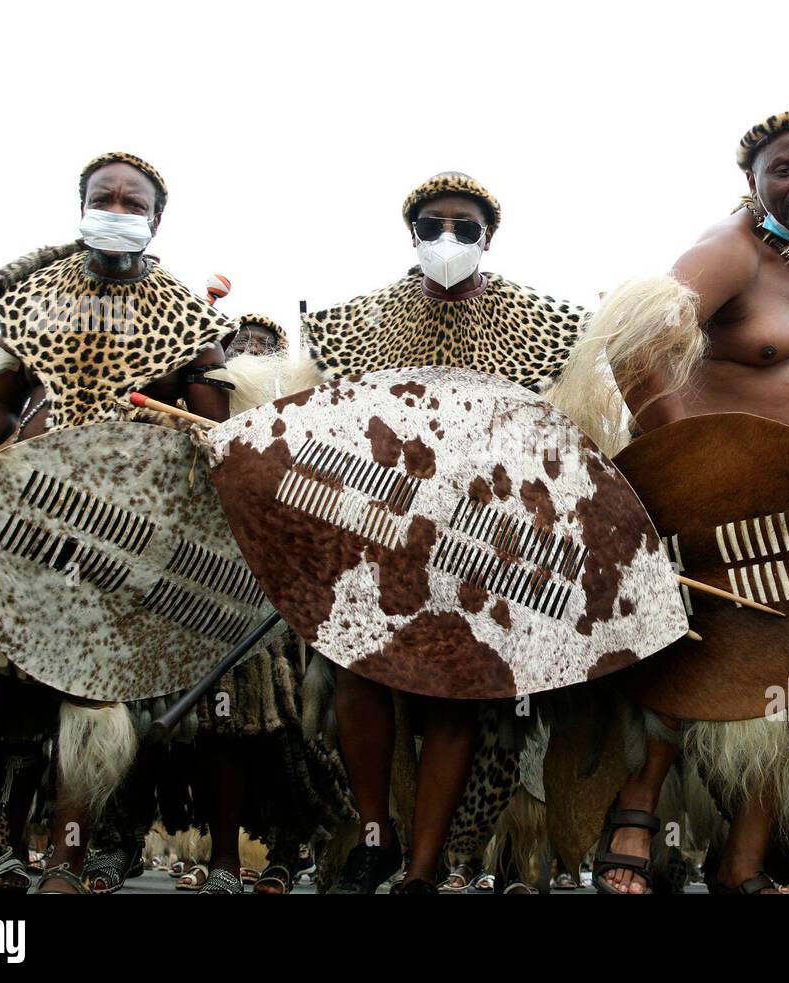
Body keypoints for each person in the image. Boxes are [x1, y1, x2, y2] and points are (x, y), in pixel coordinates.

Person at [549, 109, 789, 894]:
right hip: (720, 498)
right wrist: (696, 466)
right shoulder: (726, 253)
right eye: (785, 170)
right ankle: (636, 808)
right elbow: (633, 347)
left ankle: (741, 859)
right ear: (752, 181)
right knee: (718, 646)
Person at [0, 152, 233, 894]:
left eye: (131, 200)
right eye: (102, 196)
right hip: (21, 509)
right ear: (81, 204)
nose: (115, 207)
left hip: (118, 524)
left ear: (154, 219)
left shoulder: (188, 312)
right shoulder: (38, 296)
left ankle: (69, 845)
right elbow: (2, 398)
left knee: (89, 680)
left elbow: (212, 427)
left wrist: (184, 423)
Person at [302, 171, 586, 893]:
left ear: (489, 236)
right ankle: (376, 834)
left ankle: (425, 866)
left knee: (455, 691)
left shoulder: (541, 324)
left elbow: (554, 444)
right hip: (381, 519)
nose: (448, 238)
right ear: (412, 234)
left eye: (464, 226)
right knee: (356, 672)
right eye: (432, 225)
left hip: (482, 537)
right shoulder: (359, 324)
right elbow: (328, 425)